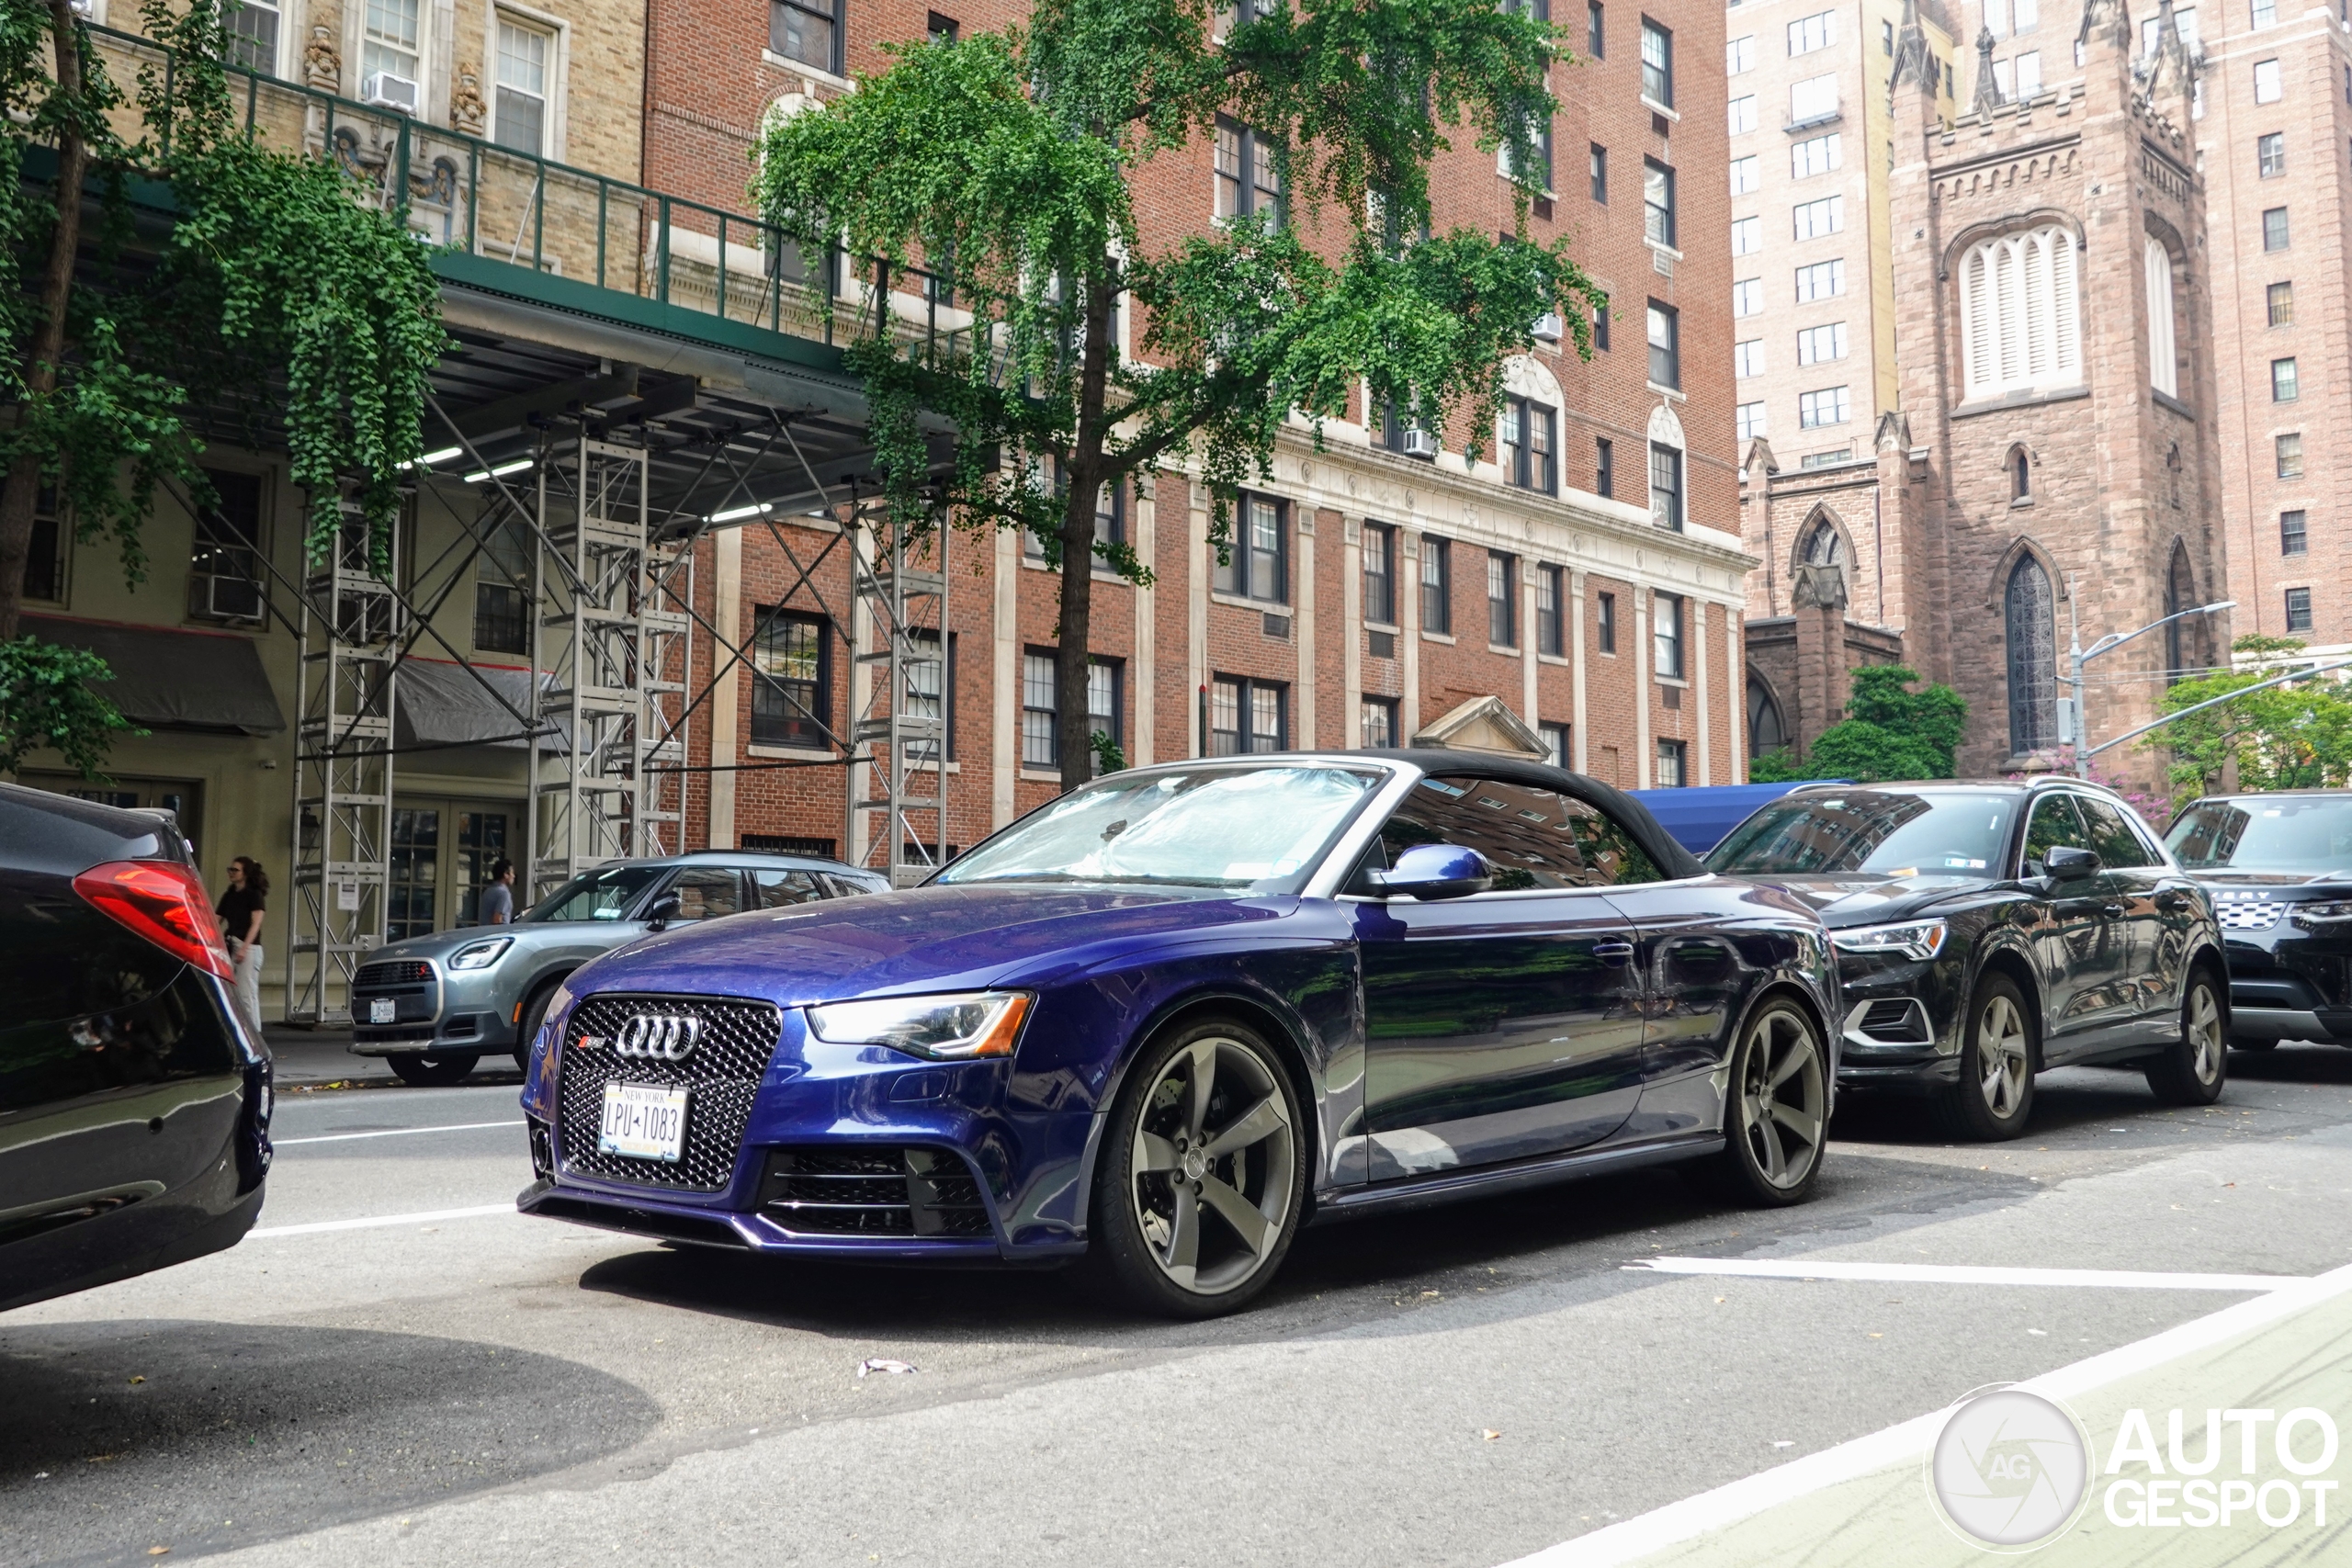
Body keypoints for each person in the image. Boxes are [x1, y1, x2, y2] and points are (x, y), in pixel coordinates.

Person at [216, 856, 267, 1034]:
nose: (231, 873)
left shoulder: (254, 894)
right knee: (232, 991)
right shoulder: (230, 894)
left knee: (247, 992)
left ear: (245, 873)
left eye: (235, 870)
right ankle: (237, 1031)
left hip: (249, 947)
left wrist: (245, 947)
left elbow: (256, 923)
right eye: (229, 869)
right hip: (231, 943)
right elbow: (217, 920)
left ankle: (253, 1033)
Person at [481, 857, 516, 925]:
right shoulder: (504, 894)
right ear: (506, 874)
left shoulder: (487, 891)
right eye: (512, 873)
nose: (514, 876)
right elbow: (497, 919)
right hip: (499, 933)